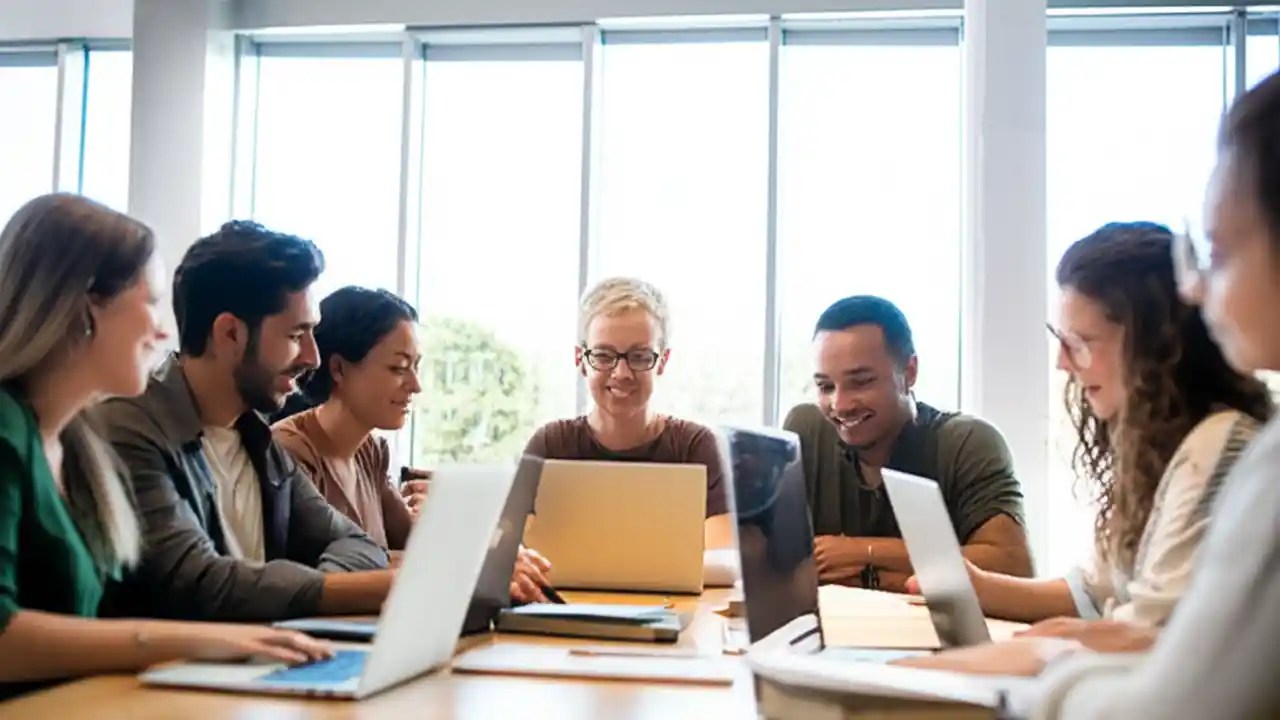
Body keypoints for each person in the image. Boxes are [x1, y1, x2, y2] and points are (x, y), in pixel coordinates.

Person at [899, 70, 1280, 720]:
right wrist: (991, 596)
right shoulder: (1179, 446)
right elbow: (1100, 594)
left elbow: (1164, 669)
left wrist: (1053, 658)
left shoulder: (1235, 449)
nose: (1197, 290)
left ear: (1154, 342)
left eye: (1217, 250)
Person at [0, 195, 330, 701]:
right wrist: (198, 640)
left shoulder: (80, 443)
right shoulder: (8, 429)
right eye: (150, 301)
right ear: (87, 307)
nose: (162, 330)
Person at [911, 222, 1270, 630]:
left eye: (1080, 343)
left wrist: (1057, 645)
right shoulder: (1156, 448)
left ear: (1156, 346)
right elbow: (1092, 593)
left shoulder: (1218, 444)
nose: (1063, 363)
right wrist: (977, 586)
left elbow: (1149, 633)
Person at [97, 220, 394, 622]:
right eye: (296, 335)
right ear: (231, 334)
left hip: (251, 666)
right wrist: (358, 591)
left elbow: (357, 544)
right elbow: (197, 582)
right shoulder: (132, 429)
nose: (313, 358)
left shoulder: (257, 440)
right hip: (158, 678)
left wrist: (317, 592)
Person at [271, 285, 550, 603]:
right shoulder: (290, 450)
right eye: (398, 368)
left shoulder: (371, 451)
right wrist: (471, 565)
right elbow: (328, 575)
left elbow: (414, 544)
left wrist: (496, 554)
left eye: (416, 367)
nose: (415, 385)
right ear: (338, 369)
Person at [783, 296, 1032, 592]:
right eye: (826, 387)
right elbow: (775, 559)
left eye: (861, 382)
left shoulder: (967, 442)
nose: (840, 404)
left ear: (909, 373)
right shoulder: (806, 430)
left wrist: (860, 552)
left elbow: (1012, 564)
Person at [522, 277, 733, 587]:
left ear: (662, 362)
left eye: (639, 356)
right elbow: (515, 552)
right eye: (604, 356)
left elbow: (724, 559)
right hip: (567, 613)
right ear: (581, 360)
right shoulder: (550, 445)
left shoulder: (697, 448)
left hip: (672, 614)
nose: (621, 373)